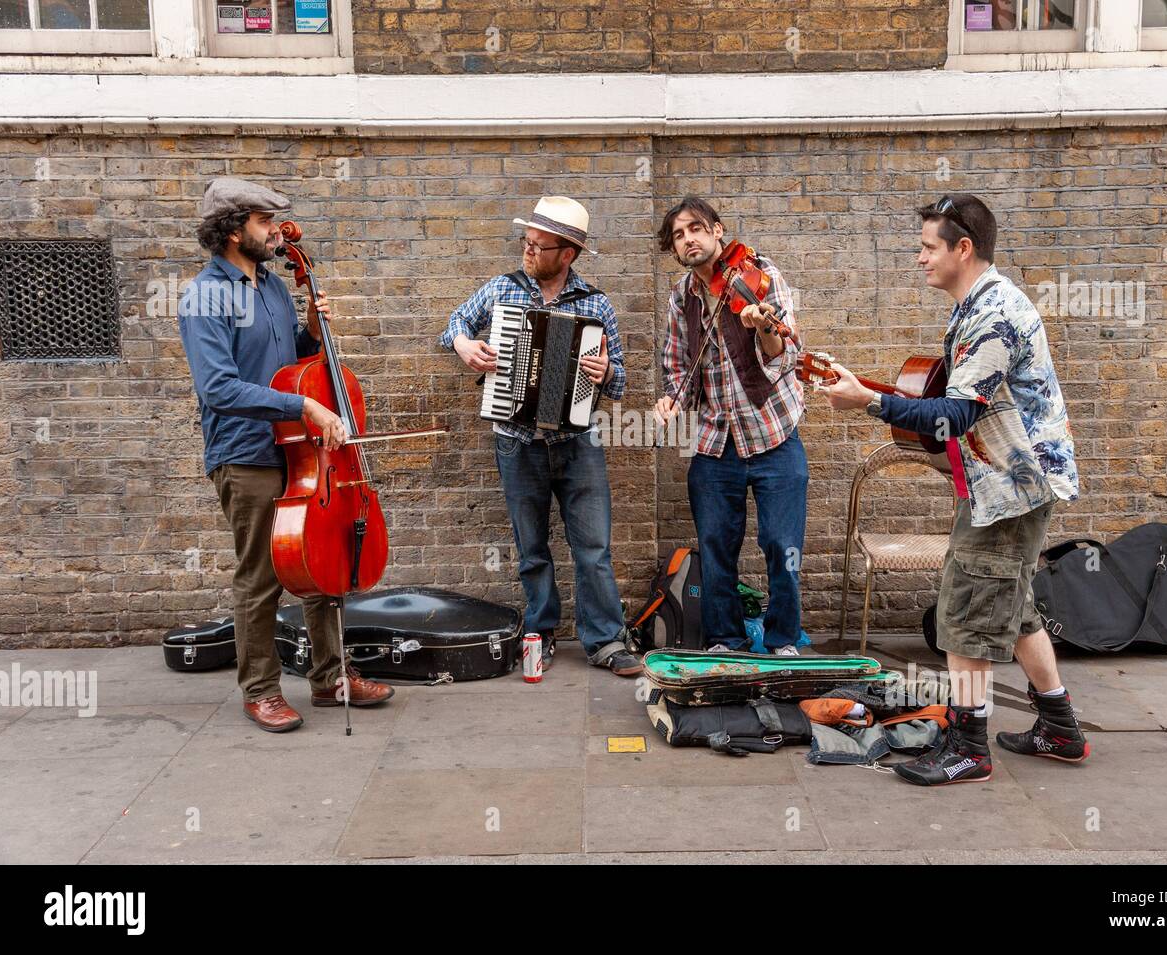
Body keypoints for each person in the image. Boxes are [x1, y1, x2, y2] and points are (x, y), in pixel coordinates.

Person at [822, 193, 1088, 785]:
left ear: (962, 248)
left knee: (964, 613)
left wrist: (868, 401)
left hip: (1010, 490)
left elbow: (957, 416)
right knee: (1014, 608)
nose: (919, 258)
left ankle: (969, 746)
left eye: (927, 247)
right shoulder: (977, 304)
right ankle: (1060, 726)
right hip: (1007, 482)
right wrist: (872, 393)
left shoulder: (993, 314)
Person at [178, 178, 394, 733]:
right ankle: (262, 691)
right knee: (261, 576)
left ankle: (330, 678)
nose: (276, 231)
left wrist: (316, 330)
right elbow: (219, 389)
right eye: (264, 221)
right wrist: (304, 407)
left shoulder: (273, 287)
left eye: (277, 221)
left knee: (319, 563)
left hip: (300, 454)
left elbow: (298, 358)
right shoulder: (205, 297)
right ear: (232, 230)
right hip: (246, 455)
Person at [441, 197, 642, 676]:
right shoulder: (500, 290)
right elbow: (454, 326)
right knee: (531, 547)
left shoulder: (595, 304)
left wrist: (606, 368)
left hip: (578, 442)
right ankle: (541, 630)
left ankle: (605, 641)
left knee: (593, 547)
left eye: (539, 245)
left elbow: (619, 384)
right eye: (526, 242)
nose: (528, 251)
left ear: (567, 253)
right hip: (516, 439)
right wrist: (466, 345)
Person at [653, 198, 808, 656]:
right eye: (679, 236)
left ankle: (783, 642)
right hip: (715, 442)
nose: (689, 240)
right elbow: (677, 365)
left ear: (718, 230)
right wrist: (671, 399)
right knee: (716, 548)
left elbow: (785, 356)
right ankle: (725, 640)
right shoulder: (682, 297)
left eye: (696, 229)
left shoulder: (761, 277)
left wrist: (763, 328)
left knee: (783, 548)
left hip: (773, 435)